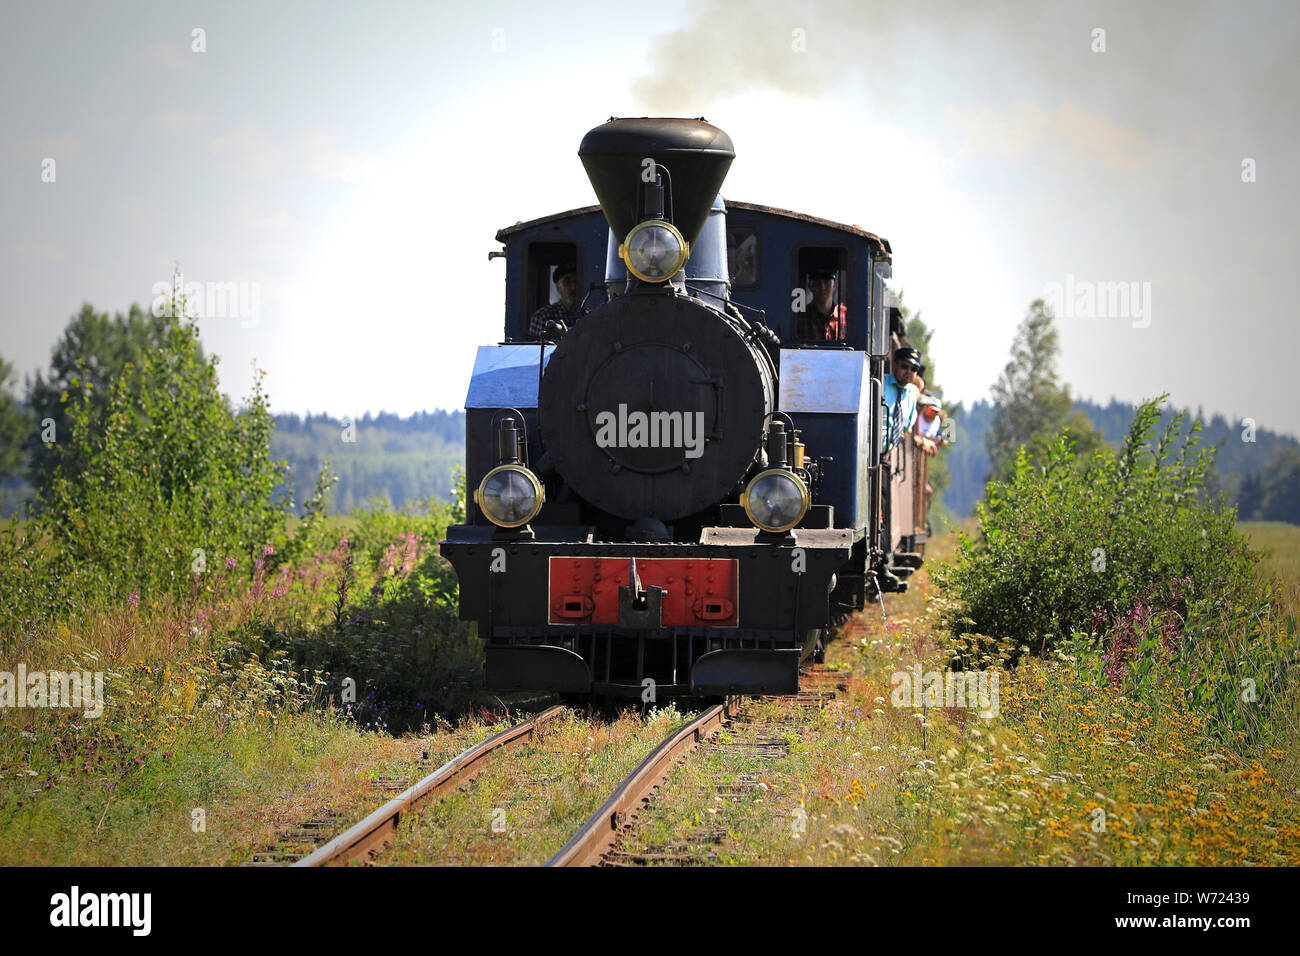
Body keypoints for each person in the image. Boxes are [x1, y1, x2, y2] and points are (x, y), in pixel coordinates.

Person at [528, 262, 586, 339]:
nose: (573, 287)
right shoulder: (542, 316)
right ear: (558, 287)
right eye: (567, 282)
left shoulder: (587, 315)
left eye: (576, 282)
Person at [882, 346, 921, 450]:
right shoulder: (881, 384)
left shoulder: (911, 396)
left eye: (914, 369)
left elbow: (907, 427)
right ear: (895, 365)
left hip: (886, 456)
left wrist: (900, 428)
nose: (909, 371)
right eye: (904, 366)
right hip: (867, 450)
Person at [796, 267, 846, 341]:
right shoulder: (800, 318)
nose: (822, 287)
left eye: (826, 281)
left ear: (834, 285)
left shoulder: (846, 315)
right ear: (810, 286)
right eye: (817, 282)